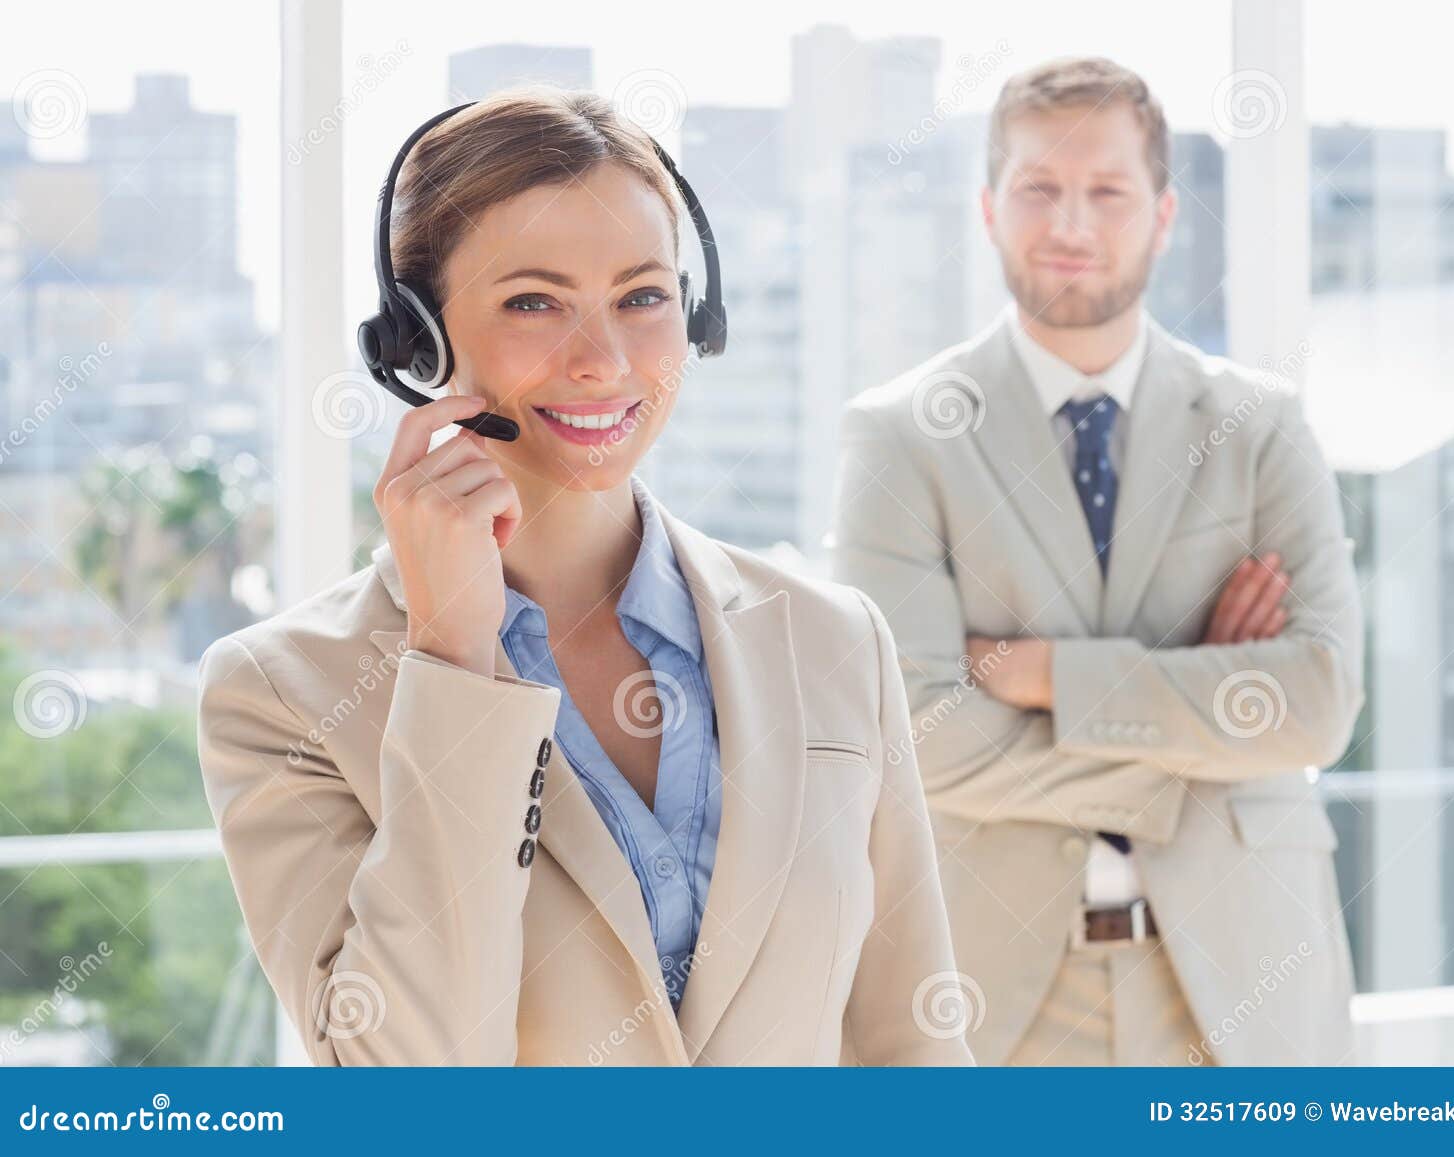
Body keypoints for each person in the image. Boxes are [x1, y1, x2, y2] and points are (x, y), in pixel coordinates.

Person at [196, 87, 971, 1067]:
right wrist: (453, 658)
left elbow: (916, 1052)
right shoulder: (283, 694)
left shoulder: (833, 638)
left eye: (642, 297)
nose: (603, 360)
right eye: (534, 301)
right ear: (418, 338)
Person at [829, 57, 1364, 1065]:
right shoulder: (900, 435)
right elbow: (920, 739)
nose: (1070, 224)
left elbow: (1316, 703)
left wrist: (1047, 676)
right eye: (1038, 188)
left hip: (1246, 986)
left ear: (1162, 216)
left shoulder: (1260, 426)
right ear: (988, 209)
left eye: (1107, 191)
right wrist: (1201, 719)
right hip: (993, 999)